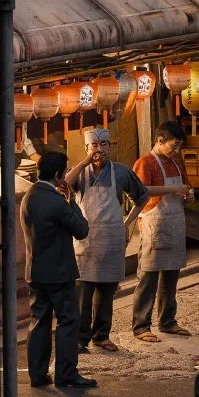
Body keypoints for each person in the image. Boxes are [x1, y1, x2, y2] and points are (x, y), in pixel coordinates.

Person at [67, 129, 150, 353]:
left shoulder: (122, 172)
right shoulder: (80, 174)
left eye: (104, 145)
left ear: (110, 147)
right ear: (86, 149)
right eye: (94, 145)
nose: (99, 150)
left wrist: (127, 223)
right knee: (83, 294)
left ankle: (102, 336)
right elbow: (63, 186)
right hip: (86, 241)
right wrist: (84, 162)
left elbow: (142, 197)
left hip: (112, 238)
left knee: (106, 293)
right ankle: (80, 339)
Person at [20, 151, 95, 388]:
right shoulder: (56, 202)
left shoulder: (29, 196)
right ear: (58, 175)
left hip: (35, 270)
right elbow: (82, 229)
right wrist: (71, 199)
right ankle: (66, 374)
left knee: (38, 320)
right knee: (68, 321)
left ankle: (38, 375)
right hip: (59, 272)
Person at [130, 121, 196, 343]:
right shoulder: (145, 163)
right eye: (174, 145)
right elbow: (141, 191)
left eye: (178, 146)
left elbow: (186, 186)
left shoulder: (176, 162)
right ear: (160, 140)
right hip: (154, 226)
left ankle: (167, 321)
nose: (176, 150)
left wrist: (189, 194)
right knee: (148, 278)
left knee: (171, 277)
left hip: (175, 225)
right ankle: (141, 325)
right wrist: (174, 189)